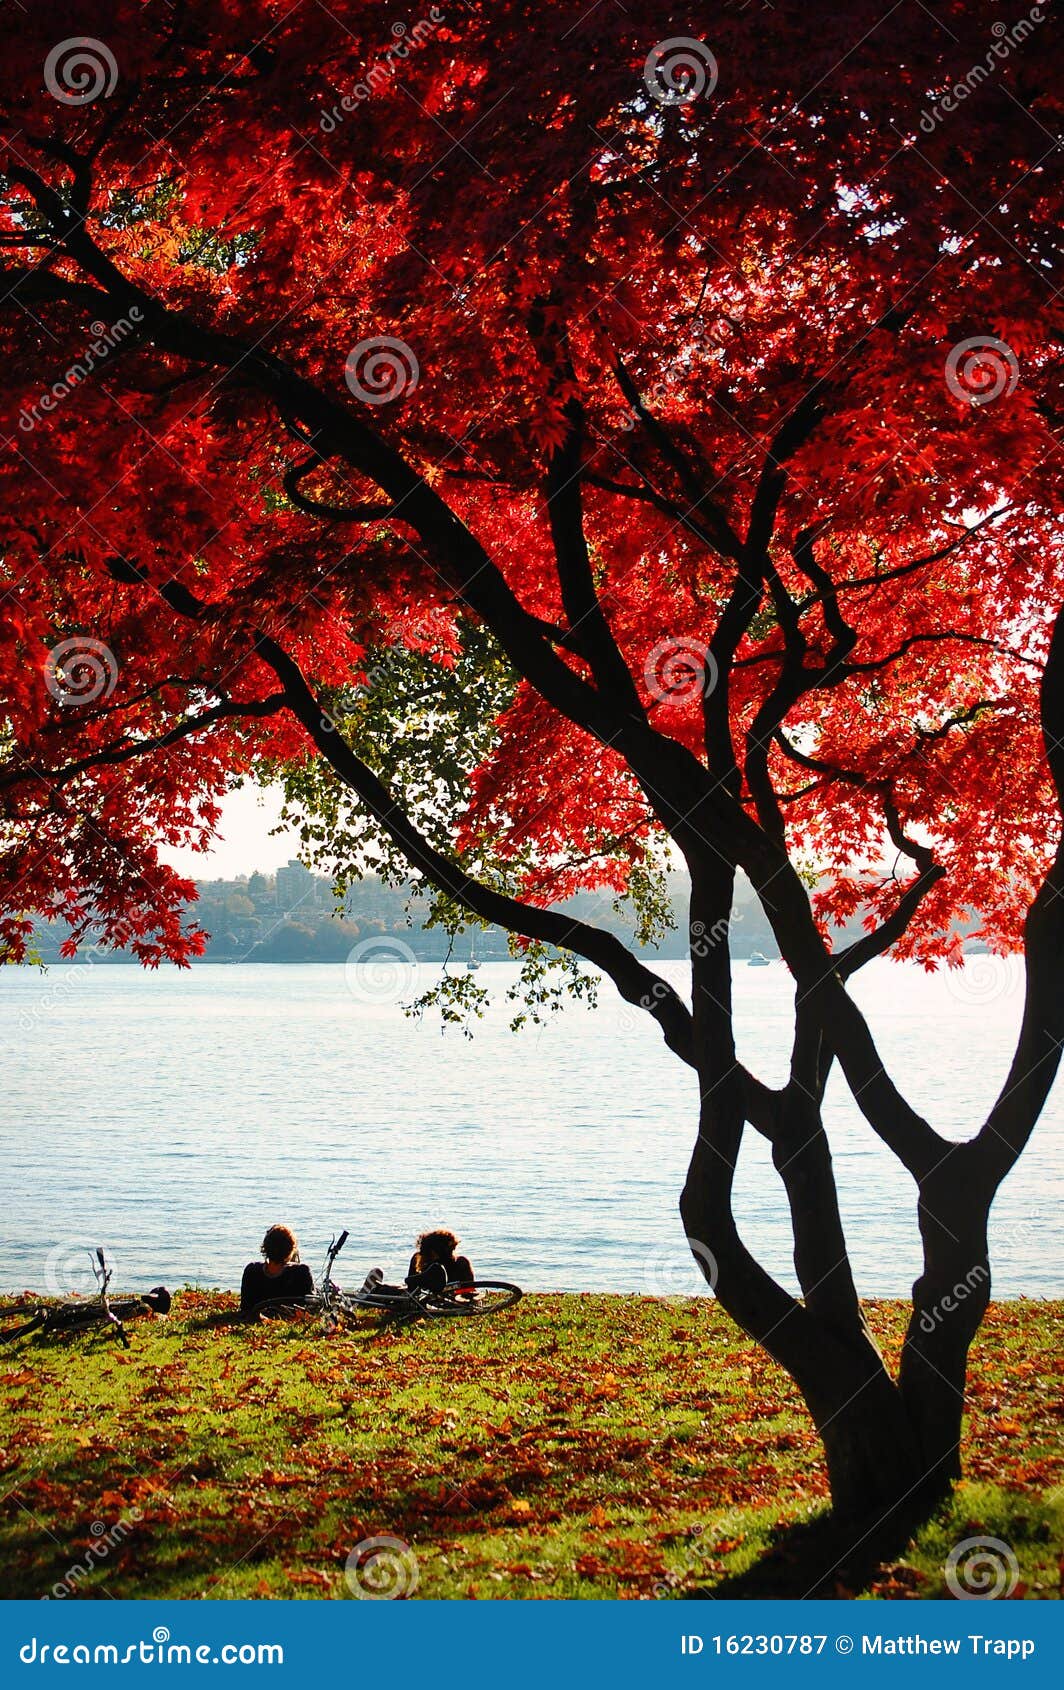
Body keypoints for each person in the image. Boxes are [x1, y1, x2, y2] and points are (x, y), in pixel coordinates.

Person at [361, 1227, 474, 1300]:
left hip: (422, 1298)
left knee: (384, 1286)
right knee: (385, 1282)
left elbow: (411, 1286)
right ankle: (370, 1293)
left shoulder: (434, 1266)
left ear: (433, 1253)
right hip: (422, 1296)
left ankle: (367, 1296)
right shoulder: (461, 1262)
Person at [240, 1224, 314, 1314]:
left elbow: (245, 1307)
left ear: (265, 1247)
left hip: (256, 1317)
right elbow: (311, 1307)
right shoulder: (301, 1272)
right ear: (291, 1250)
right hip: (290, 1318)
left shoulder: (252, 1271)